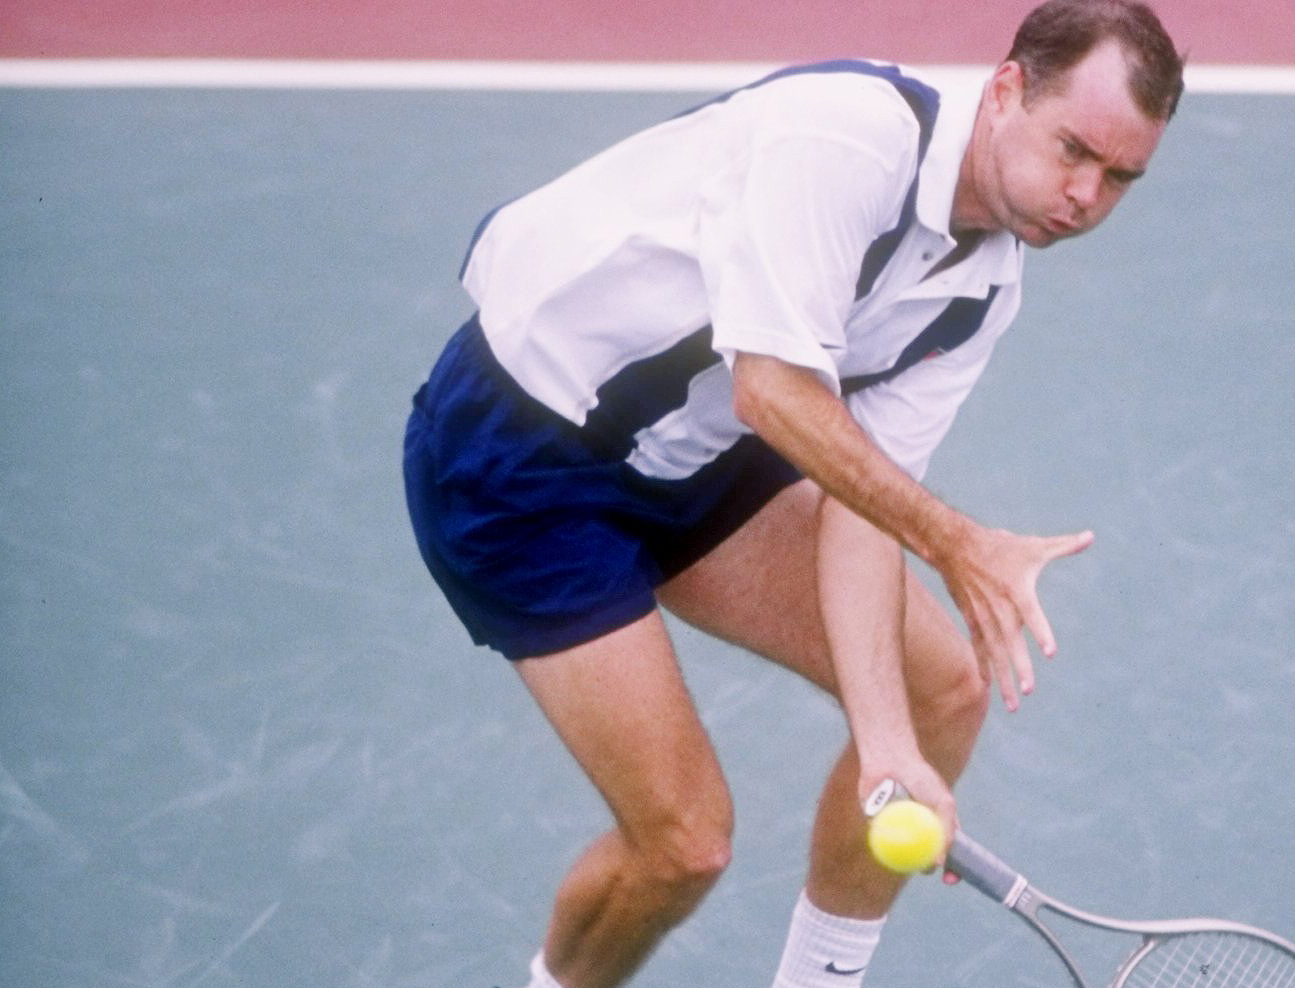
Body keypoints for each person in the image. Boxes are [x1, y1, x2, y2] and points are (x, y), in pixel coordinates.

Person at [401, 3, 1184, 986]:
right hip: (523, 457)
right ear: (1004, 91)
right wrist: (954, 543)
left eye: (1119, 178)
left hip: (700, 455)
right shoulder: (846, 139)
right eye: (1074, 149)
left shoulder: (982, 292)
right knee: (681, 843)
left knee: (937, 692)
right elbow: (770, 390)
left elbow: (862, 497)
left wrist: (887, 742)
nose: (1083, 195)